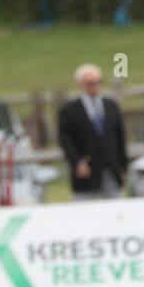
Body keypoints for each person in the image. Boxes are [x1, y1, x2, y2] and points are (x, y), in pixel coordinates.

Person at [58, 63, 128, 201]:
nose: (95, 86)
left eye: (98, 82)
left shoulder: (111, 106)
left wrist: (123, 167)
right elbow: (66, 140)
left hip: (110, 168)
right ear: (81, 84)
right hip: (87, 171)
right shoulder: (70, 110)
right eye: (90, 83)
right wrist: (77, 162)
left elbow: (120, 138)